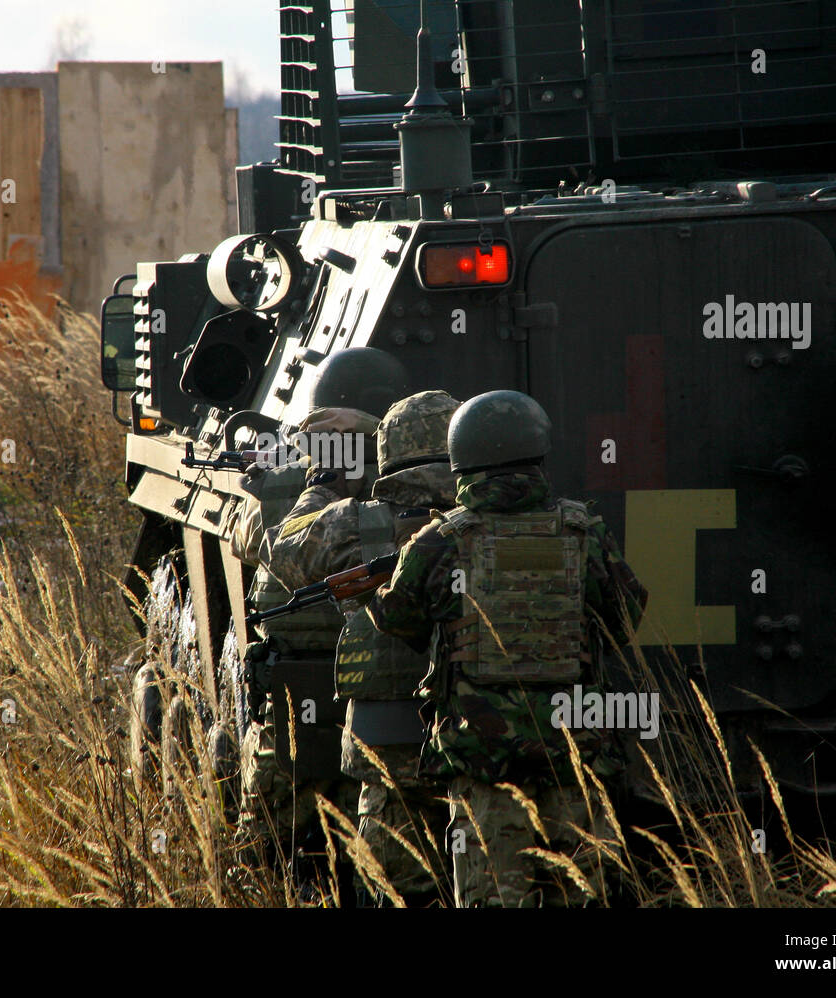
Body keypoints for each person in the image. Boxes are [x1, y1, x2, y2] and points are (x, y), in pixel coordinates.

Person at [367, 389, 648, 907]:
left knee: (492, 898)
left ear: (461, 460)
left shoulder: (437, 541)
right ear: (538, 453)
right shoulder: (583, 530)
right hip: (576, 754)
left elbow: (398, 620)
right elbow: (625, 615)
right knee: (586, 895)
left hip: (482, 762)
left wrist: (372, 592)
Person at [266, 390, 460, 905]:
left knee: (402, 886)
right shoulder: (511, 522)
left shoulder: (362, 522)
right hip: (501, 739)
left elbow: (285, 551)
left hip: (392, 743)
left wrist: (322, 487)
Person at [229, 348, 410, 862]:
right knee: (378, 842)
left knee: (267, 848)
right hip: (384, 681)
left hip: (296, 687)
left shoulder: (292, 460)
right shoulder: (413, 459)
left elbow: (247, 542)